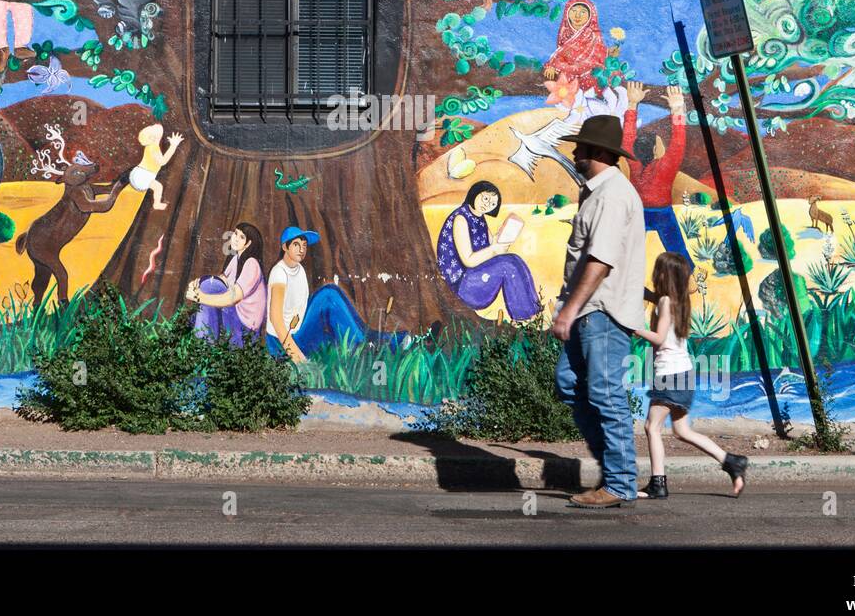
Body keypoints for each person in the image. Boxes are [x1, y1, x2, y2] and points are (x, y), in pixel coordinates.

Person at [551, 114, 646, 508]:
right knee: (569, 383)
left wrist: (567, 312)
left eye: (582, 146)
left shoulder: (611, 195)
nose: (575, 151)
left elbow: (600, 261)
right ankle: (613, 469)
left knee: (606, 394)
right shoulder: (596, 193)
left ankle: (621, 483)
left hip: (599, 312)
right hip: (590, 311)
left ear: (600, 152)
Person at [632, 251, 749, 498]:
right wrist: (634, 286)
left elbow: (659, 339)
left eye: (658, 270)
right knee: (681, 431)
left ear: (664, 275)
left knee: (652, 427)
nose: (655, 274)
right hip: (684, 374)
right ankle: (731, 462)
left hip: (670, 375)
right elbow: (656, 300)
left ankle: (658, 483)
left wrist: (635, 329)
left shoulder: (665, 302)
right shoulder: (679, 300)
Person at [265, 226, 411, 363]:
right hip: (283, 344)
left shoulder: (299, 270)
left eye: (304, 245)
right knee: (328, 296)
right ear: (285, 247)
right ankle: (367, 349)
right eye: (296, 244)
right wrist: (297, 357)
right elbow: (276, 319)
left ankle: (382, 341)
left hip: (299, 332)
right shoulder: (279, 273)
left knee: (332, 292)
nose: (302, 249)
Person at [435, 180, 542, 322]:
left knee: (514, 259)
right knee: (507, 266)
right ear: (475, 192)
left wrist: (503, 239)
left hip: (474, 277)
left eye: (492, 204)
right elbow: (469, 260)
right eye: (485, 198)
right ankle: (525, 318)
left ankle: (533, 313)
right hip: (461, 286)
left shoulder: (479, 217)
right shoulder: (461, 218)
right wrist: (494, 249)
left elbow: (493, 245)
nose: (487, 204)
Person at [621, 81, 690, 259]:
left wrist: (632, 103)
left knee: (627, 257)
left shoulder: (632, 161)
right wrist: (677, 109)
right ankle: (688, 279)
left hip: (637, 214)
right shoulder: (665, 167)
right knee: (679, 254)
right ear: (654, 150)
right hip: (663, 214)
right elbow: (678, 143)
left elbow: (628, 137)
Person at [186, 222, 267, 347]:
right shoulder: (236, 259)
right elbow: (221, 280)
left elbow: (233, 298)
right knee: (207, 285)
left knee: (208, 290)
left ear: (249, 243)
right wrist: (198, 283)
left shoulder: (252, 264)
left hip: (246, 329)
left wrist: (199, 296)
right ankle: (203, 343)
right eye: (235, 233)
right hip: (235, 317)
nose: (235, 238)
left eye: (242, 237)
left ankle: (203, 345)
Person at [543, 0, 607, 91]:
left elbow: (593, 61)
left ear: (591, 15)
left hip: (588, 74)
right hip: (565, 72)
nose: (577, 16)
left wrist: (560, 67)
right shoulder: (565, 33)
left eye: (583, 12)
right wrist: (553, 66)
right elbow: (561, 56)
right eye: (573, 11)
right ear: (567, 13)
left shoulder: (593, 36)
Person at [127, 126, 182, 212]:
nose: (156, 126)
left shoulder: (152, 146)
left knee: (157, 186)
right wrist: (173, 146)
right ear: (153, 137)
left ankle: (157, 203)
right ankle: (157, 204)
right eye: (154, 128)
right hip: (142, 175)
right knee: (158, 187)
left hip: (140, 173)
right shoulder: (153, 147)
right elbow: (163, 161)